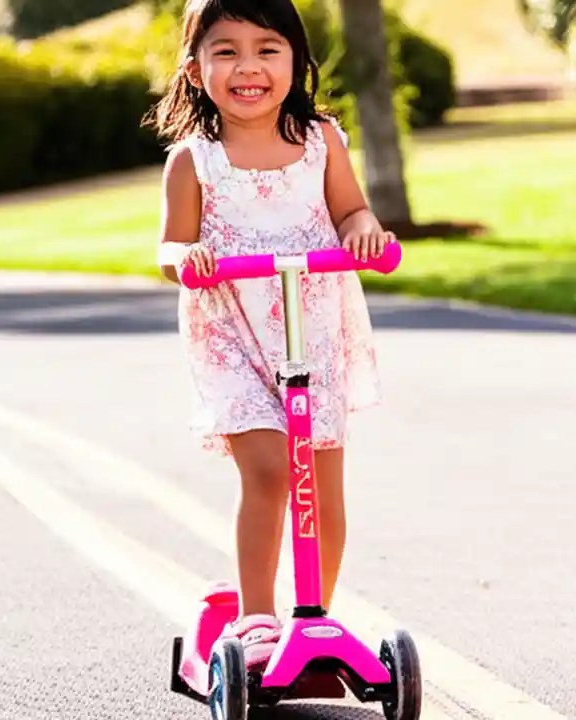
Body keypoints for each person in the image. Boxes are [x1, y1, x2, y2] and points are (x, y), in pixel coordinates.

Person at [150, 0, 394, 672]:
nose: (247, 66)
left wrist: (363, 233)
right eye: (225, 51)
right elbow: (171, 244)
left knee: (321, 483)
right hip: (232, 331)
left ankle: (313, 617)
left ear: (296, 61)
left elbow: (351, 210)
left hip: (312, 330)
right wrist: (186, 260)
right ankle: (257, 617)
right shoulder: (194, 161)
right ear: (196, 71)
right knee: (267, 475)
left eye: (267, 48)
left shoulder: (321, 141)